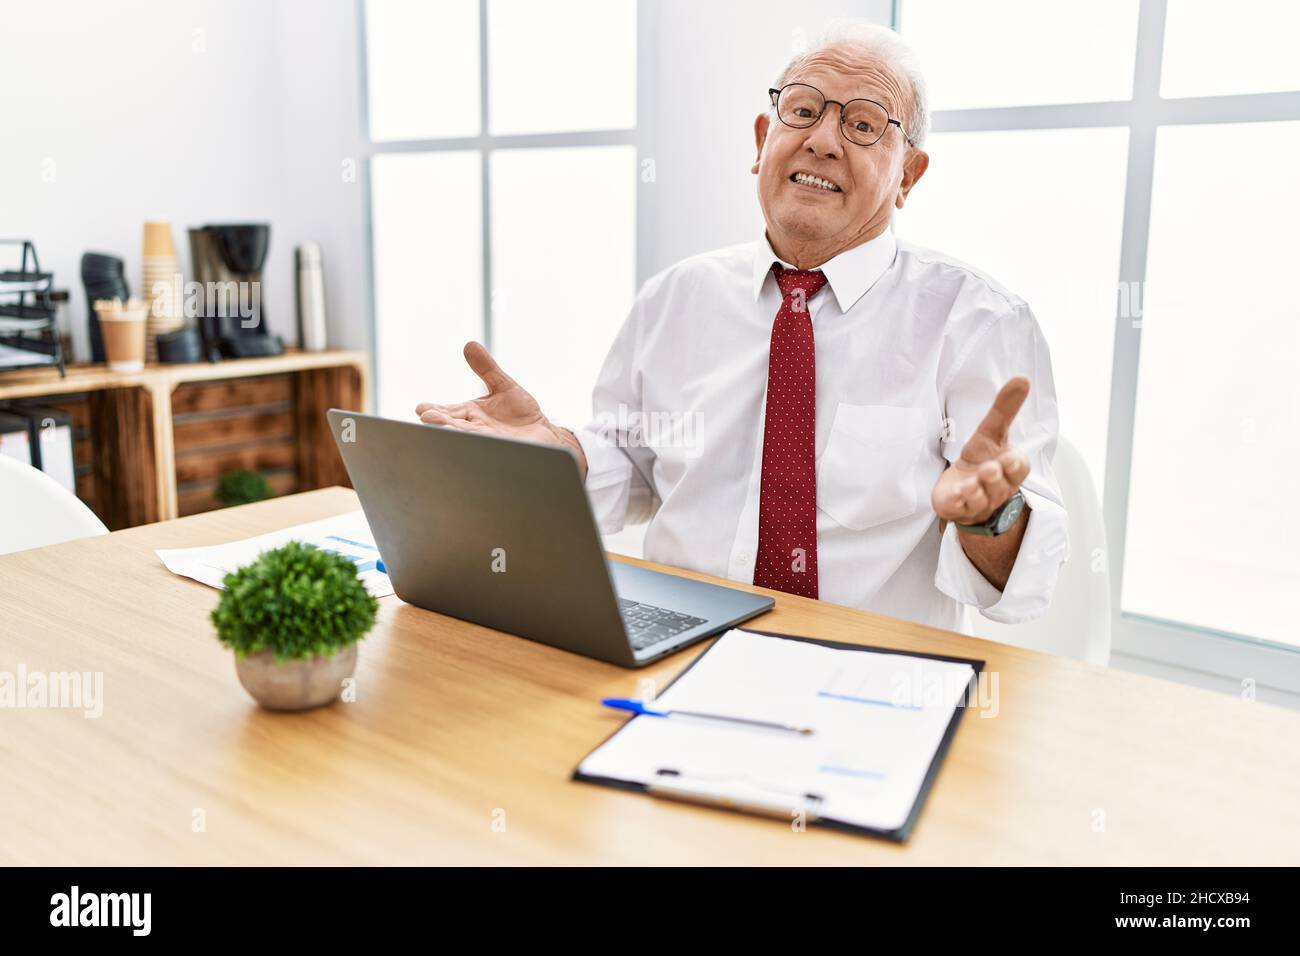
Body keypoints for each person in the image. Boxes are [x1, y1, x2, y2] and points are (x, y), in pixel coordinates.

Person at [416, 20, 1068, 632]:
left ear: (909, 175)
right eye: (804, 110)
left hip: (868, 675)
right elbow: (637, 469)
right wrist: (564, 453)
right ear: (762, 140)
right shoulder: (677, 296)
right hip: (672, 641)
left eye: (865, 125)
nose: (821, 140)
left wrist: (992, 518)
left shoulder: (978, 322)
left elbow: (1031, 580)